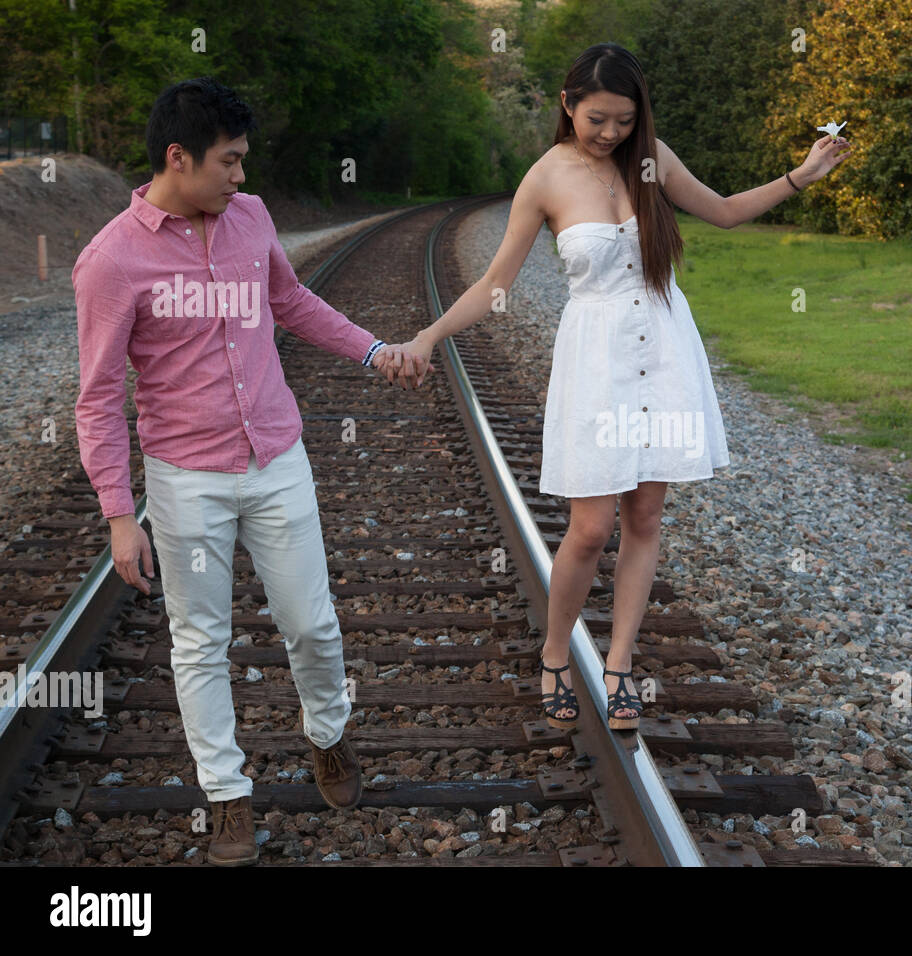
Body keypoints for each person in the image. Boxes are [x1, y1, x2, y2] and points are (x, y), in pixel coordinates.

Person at [382, 42, 851, 732]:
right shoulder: (545, 177)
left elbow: (721, 211)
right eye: (597, 118)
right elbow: (496, 284)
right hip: (596, 359)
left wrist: (801, 175)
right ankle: (553, 653)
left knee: (645, 518)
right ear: (568, 104)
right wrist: (428, 336)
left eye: (624, 121)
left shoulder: (651, 158)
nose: (610, 134)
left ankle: (621, 665)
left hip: (664, 351)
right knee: (590, 527)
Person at [72, 77, 421, 866]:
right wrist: (119, 514)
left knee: (312, 623)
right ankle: (226, 794)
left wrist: (373, 349)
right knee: (200, 640)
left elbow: (291, 302)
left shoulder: (251, 218)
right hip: (185, 481)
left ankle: (327, 737)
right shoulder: (111, 262)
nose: (240, 177)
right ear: (177, 157)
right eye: (229, 163)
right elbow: (96, 399)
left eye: (243, 163)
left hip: (277, 458)